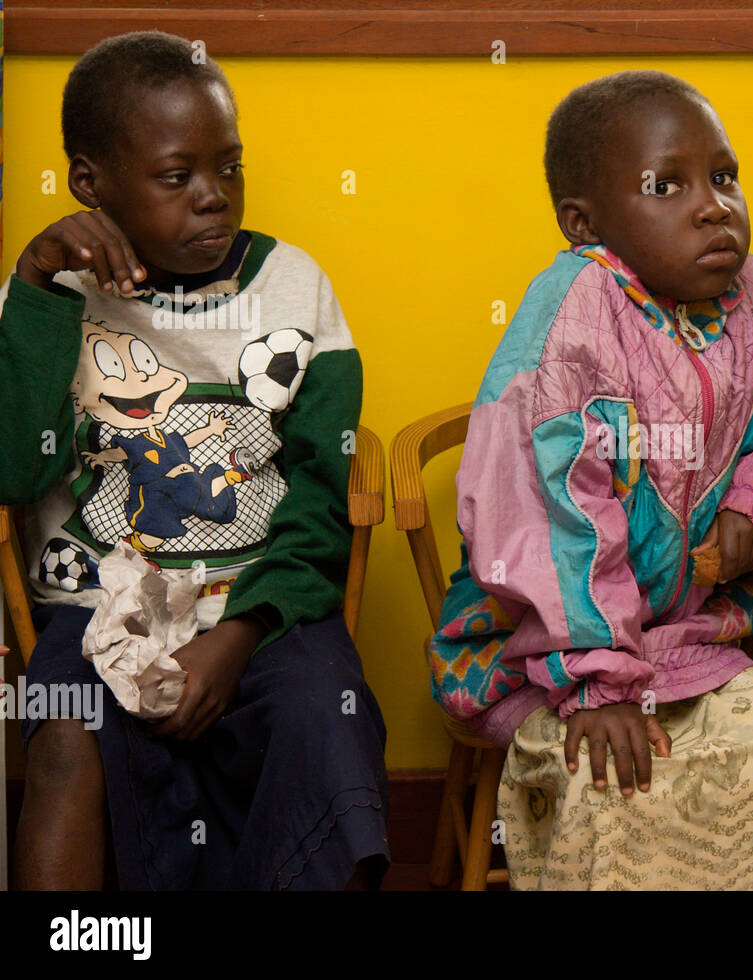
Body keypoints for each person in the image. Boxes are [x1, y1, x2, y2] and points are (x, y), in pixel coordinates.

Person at [430, 70, 753, 889]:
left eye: (723, 177)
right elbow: (542, 519)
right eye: (669, 186)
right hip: (550, 651)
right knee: (616, 785)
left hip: (693, 633)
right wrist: (597, 679)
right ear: (586, 225)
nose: (712, 205)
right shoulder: (570, 321)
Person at [0, 31, 389, 890]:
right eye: (178, 178)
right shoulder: (49, 295)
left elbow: (325, 494)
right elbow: (13, 476)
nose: (214, 198)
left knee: (330, 720)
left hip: (262, 601)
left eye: (231, 167)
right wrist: (32, 282)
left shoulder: (294, 287)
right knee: (62, 739)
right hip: (93, 607)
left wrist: (240, 635)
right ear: (91, 185)